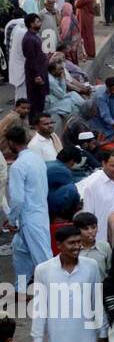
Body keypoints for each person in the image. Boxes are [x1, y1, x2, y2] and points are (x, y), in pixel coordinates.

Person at [6, 123, 50, 291]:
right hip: (38, 213)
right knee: (20, 253)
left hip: (30, 219)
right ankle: (20, 290)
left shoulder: (18, 166)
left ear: (11, 143)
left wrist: (11, 220)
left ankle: (56, 297)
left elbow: (17, 199)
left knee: (43, 261)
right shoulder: (36, 158)